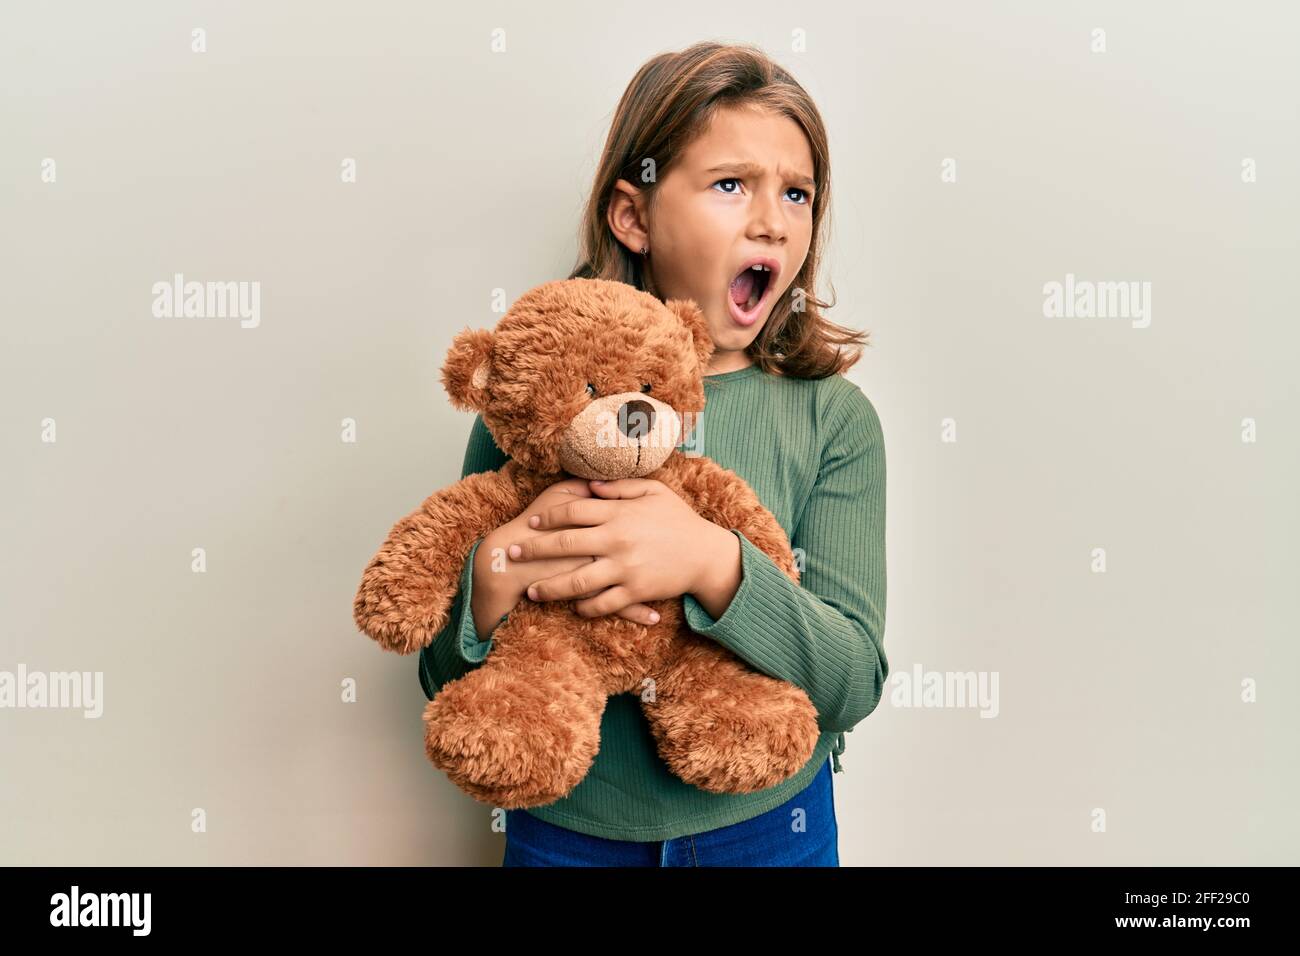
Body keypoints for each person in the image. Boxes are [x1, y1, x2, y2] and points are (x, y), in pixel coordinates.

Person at [418, 40, 888, 867]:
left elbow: (852, 681)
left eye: (798, 192)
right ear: (633, 216)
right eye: (731, 184)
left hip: (773, 828)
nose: (772, 219)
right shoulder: (534, 404)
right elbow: (441, 673)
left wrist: (711, 562)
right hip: (567, 833)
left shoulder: (832, 419)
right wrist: (497, 572)